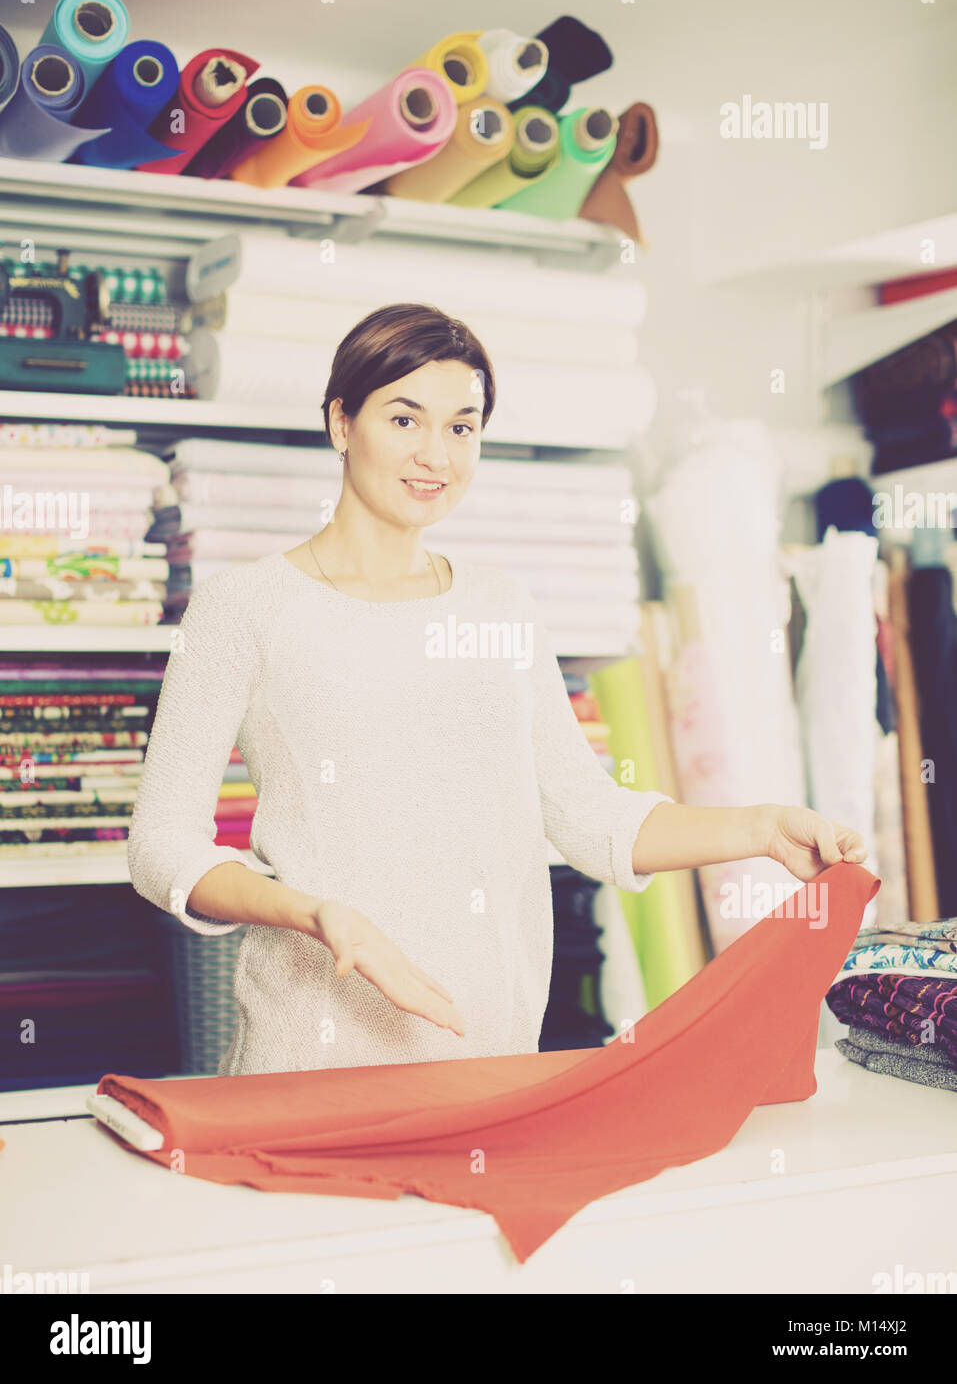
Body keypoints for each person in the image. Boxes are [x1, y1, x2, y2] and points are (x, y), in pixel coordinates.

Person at [127, 302, 867, 1076]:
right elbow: (161, 843)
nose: (436, 456)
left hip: (488, 1050)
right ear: (342, 422)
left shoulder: (499, 604)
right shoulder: (243, 608)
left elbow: (586, 814)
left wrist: (762, 828)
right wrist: (311, 913)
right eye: (405, 419)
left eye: (461, 426)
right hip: (311, 1055)